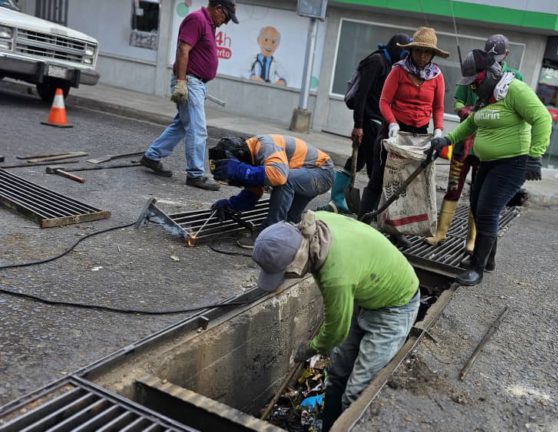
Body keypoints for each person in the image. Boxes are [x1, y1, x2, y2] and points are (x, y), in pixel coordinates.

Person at [251, 211, 419, 431]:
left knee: (356, 393)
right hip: (366, 290)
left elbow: (335, 334)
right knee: (337, 373)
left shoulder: (336, 277)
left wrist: (310, 348)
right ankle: (328, 426)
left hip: (395, 305)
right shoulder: (317, 223)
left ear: (297, 258)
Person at [429, 49, 552, 286]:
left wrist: (535, 156)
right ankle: (488, 259)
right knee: (477, 207)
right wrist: (447, 139)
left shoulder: (514, 90)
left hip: (513, 162)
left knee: (487, 211)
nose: (473, 88)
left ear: (490, 73)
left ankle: (477, 268)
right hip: (488, 162)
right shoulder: (486, 97)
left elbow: (542, 118)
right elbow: (471, 124)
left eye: (475, 82)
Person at [426, 34, 524, 252]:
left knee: (478, 195)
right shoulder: (474, 72)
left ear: (506, 54)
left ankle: (471, 239)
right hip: (463, 145)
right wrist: (465, 111)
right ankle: (440, 233)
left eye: (498, 56)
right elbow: (458, 100)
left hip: (488, 147)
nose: (494, 59)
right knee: (453, 188)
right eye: (490, 55)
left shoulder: (513, 77)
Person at [139, 0, 238, 191]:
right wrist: (181, 82)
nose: (225, 22)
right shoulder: (197, 19)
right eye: (226, 17)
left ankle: (152, 156)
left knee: (181, 125)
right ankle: (195, 174)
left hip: (196, 83)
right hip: (190, 81)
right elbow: (183, 49)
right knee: (197, 129)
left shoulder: (208, 24)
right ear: (218, 8)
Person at [359, 27, 448, 223]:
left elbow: (438, 107)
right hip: (393, 131)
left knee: (405, 184)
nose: (422, 56)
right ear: (411, 50)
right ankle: (362, 221)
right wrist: (392, 123)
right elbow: (384, 102)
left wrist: (438, 130)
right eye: (419, 51)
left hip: (419, 135)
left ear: (432, 54)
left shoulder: (436, 76)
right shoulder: (398, 70)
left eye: (427, 52)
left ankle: (394, 228)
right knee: (378, 179)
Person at [321, 33, 411, 213]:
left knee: (361, 160)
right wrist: (358, 125)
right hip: (369, 121)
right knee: (373, 165)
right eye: (405, 53)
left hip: (378, 122)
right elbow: (362, 94)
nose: (406, 58)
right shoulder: (377, 61)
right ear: (397, 49)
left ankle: (341, 201)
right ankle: (364, 207)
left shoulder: (391, 65)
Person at [209, 135, 334, 231]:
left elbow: (278, 176)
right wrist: (231, 204)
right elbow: (254, 192)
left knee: (285, 180)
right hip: (308, 175)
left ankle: (270, 231)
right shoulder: (251, 156)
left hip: (322, 172)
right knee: (290, 222)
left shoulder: (264, 146)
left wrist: (240, 170)